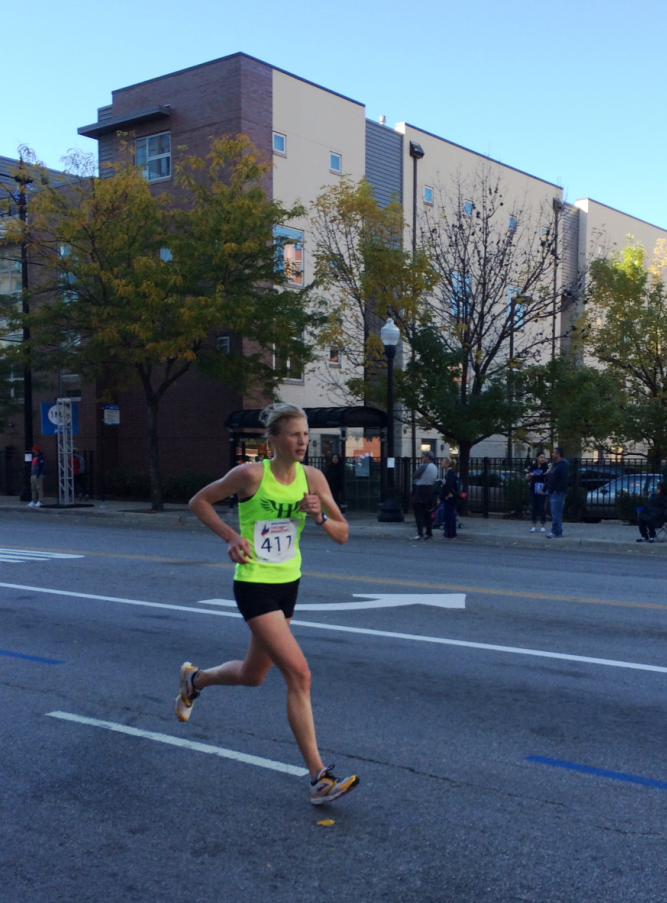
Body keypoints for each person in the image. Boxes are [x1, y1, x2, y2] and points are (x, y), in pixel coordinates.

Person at [176, 403, 359, 806]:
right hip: (254, 584)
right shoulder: (250, 475)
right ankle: (319, 778)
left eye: (306, 434)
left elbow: (343, 533)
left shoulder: (313, 478)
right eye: (294, 434)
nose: (302, 442)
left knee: (253, 675)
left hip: (288, 584)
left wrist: (320, 518)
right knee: (299, 674)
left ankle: (195, 680)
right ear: (273, 439)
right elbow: (199, 501)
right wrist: (230, 536)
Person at [412, 450, 438, 540]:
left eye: (423, 457)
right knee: (428, 512)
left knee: (419, 512)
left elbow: (414, 475)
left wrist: (419, 475)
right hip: (430, 490)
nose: (423, 458)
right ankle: (429, 533)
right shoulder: (435, 467)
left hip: (421, 490)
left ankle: (420, 533)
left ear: (427, 457)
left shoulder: (424, 466)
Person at [546, 447, 569, 538]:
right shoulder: (555, 464)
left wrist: (557, 489)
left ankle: (556, 531)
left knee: (556, 512)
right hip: (552, 491)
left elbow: (563, 479)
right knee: (554, 512)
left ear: (558, 454)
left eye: (553, 453)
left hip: (558, 492)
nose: (552, 454)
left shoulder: (563, 464)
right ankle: (557, 531)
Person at [526, 452, 548, 533]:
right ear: (537, 458)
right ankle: (533, 525)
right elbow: (528, 477)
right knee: (533, 507)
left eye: (544, 457)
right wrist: (529, 476)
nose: (543, 459)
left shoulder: (545, 467)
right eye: (541, 457)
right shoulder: (533, 467)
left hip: (541, 489)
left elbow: (547, 480)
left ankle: (543, 525)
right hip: (533, 488)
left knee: (541, 507)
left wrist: (544, 490)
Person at [439, 457, 459, 539]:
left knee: (449, 515)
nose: (442, 463)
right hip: (450, 496)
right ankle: (449, 533)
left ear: (447, 464)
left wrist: (443, 496)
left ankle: (450, 533)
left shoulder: (450, 473)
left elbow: (449, 486)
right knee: (448, 514)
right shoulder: (449, 472)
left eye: (443, 462)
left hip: (449, 497)